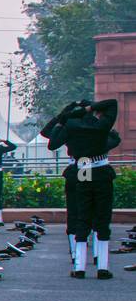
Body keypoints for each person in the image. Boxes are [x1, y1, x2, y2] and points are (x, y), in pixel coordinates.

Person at [42, 99, 120, 279]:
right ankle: (102, 267)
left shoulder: (71, 126)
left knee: (82, 216)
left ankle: (79, 267)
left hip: (83, 169)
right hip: (101, 169)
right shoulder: (102, 125)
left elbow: (52, 143)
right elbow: (112, 103)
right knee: (102, 217)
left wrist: (66, 116)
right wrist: (91, 105)